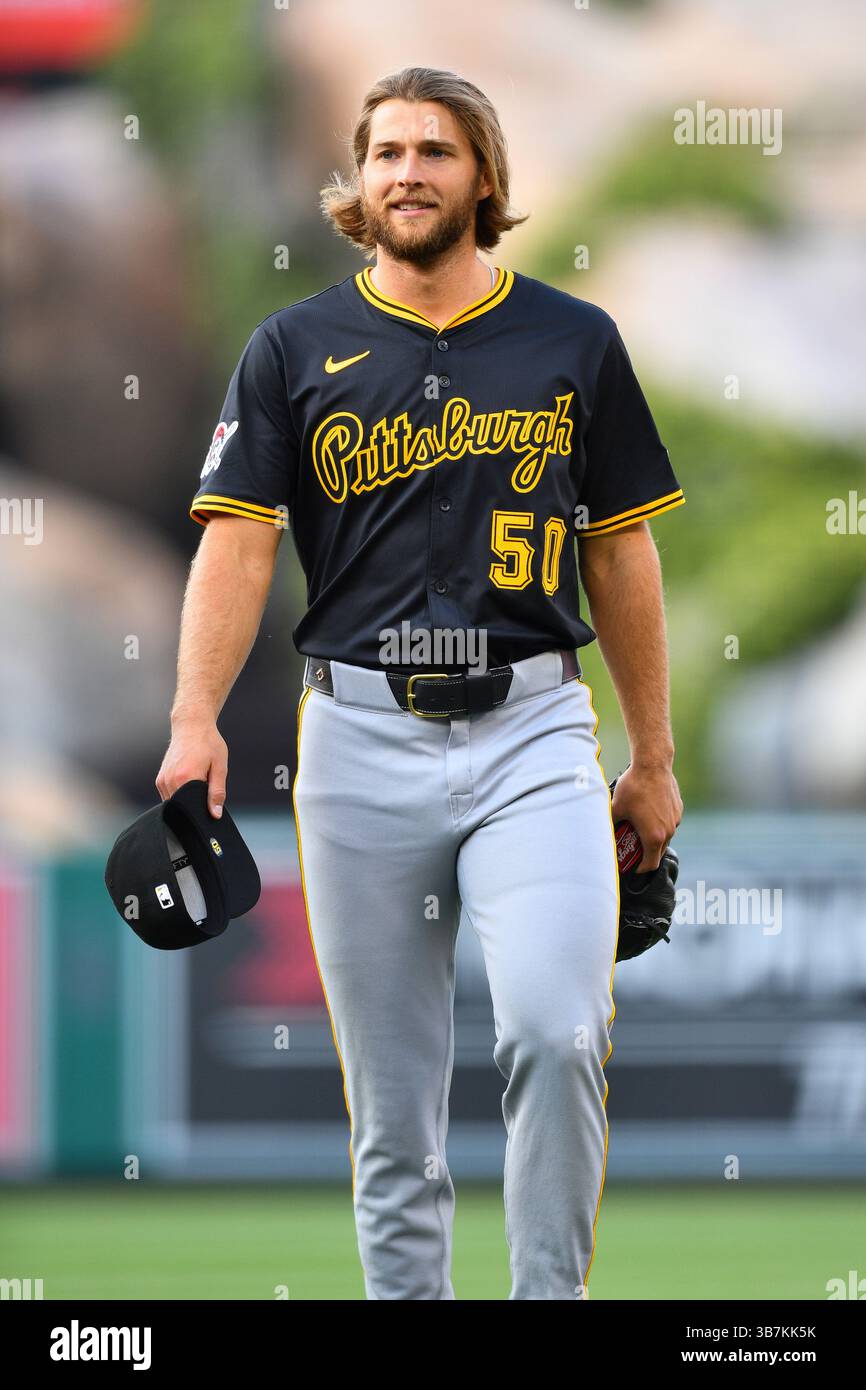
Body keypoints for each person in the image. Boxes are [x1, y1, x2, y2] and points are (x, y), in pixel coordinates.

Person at [156, 65, 684, 1301]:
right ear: (358, 180)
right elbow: (235, 543)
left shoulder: (573, 340)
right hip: (357, 737)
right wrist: (191, 718)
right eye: (384, 150)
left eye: (434, 150)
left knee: (555, 1035)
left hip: (532, 725)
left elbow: (622, 548)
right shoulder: (292, 346)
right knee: (394, 1120)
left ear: (483, 178)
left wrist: (652, 757)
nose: (404, 171)